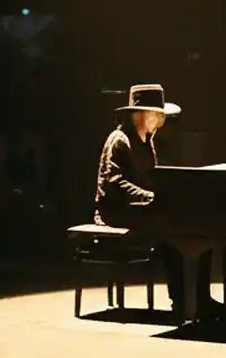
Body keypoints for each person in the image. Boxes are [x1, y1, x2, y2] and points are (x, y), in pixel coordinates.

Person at [93, 84, 217, 315]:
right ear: (139, 114)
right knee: (173, 236)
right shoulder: (120, 140)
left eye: (160, 116)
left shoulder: (146, 141)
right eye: (155, 114)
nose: (159, 120)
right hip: (117, 212)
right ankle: (181, 300)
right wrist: (150, 196)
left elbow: (151, 178)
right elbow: (115, 183)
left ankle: (200, 297)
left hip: (141, 209)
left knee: (200, 230)